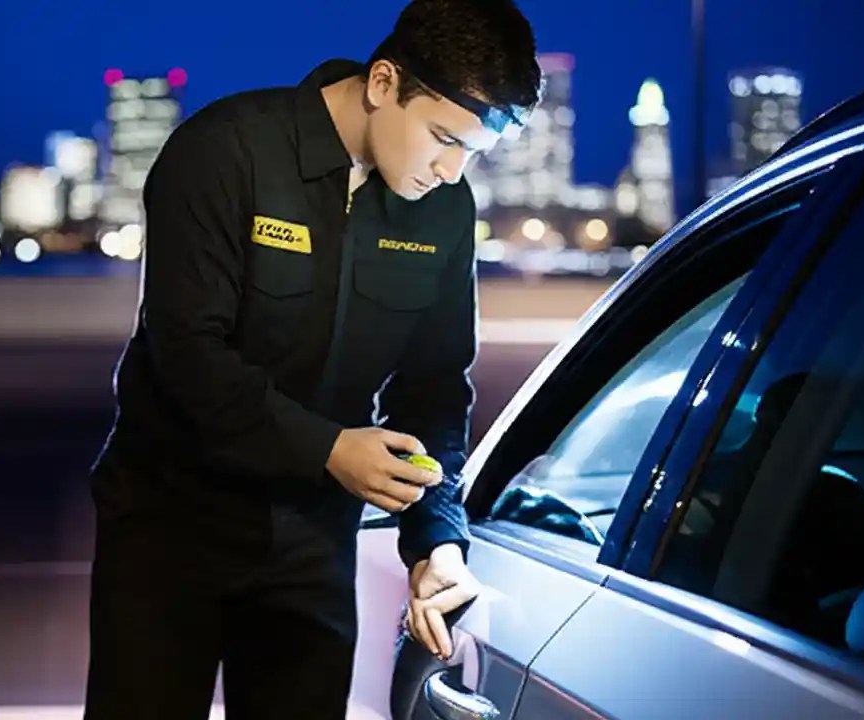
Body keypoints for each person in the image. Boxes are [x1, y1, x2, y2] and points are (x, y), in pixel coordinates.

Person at [85, 1, 542, 717]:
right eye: (442, 139)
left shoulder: (445, 212)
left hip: (314, 541)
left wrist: (436, 541)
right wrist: (329, 447)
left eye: (473, 155)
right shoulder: (224, 151)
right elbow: (186, 356)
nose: (452, 171)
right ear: (384, 83)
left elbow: (432, 391)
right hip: (169, 526)